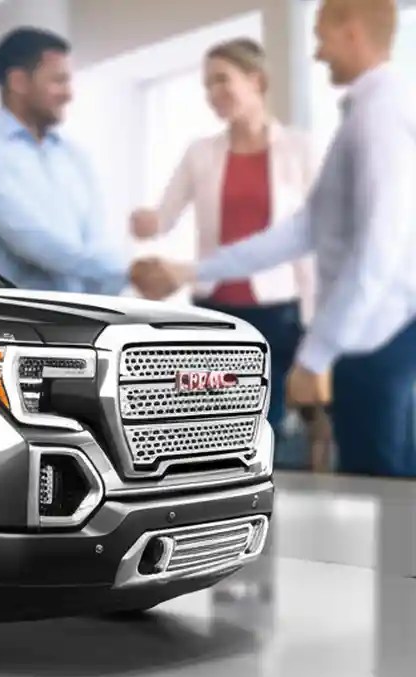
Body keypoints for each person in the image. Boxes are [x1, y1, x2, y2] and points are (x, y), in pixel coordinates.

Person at [134, 0, 416, 477]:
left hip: (352, 333)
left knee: (377, 485)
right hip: (223, 315)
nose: (318, 53)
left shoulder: (371, 120)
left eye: (322, 36)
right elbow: (304, 230)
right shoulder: (363, 116)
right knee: (215, 438)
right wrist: (189, 268)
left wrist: (316, 349)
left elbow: (376, 252)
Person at [129, 38, 319, 433]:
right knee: (210, 422)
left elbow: (313, 238)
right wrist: (147, 221)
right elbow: (164, 218)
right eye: (206, 86)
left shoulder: (299, 149)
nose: (213, 94)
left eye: (221, 80)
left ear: (256, 80)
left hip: (278, 311)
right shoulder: (200, 152)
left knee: (267, 423)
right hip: (214, 308)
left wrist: (315, 319)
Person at [0, 27, 129, 295]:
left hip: (86, 321)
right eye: (58, 81)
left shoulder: (75, 157)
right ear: (18, 82)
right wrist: (131, 270)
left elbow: (96, 241)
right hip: (21, 325)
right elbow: (36, 244)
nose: (68, 94)